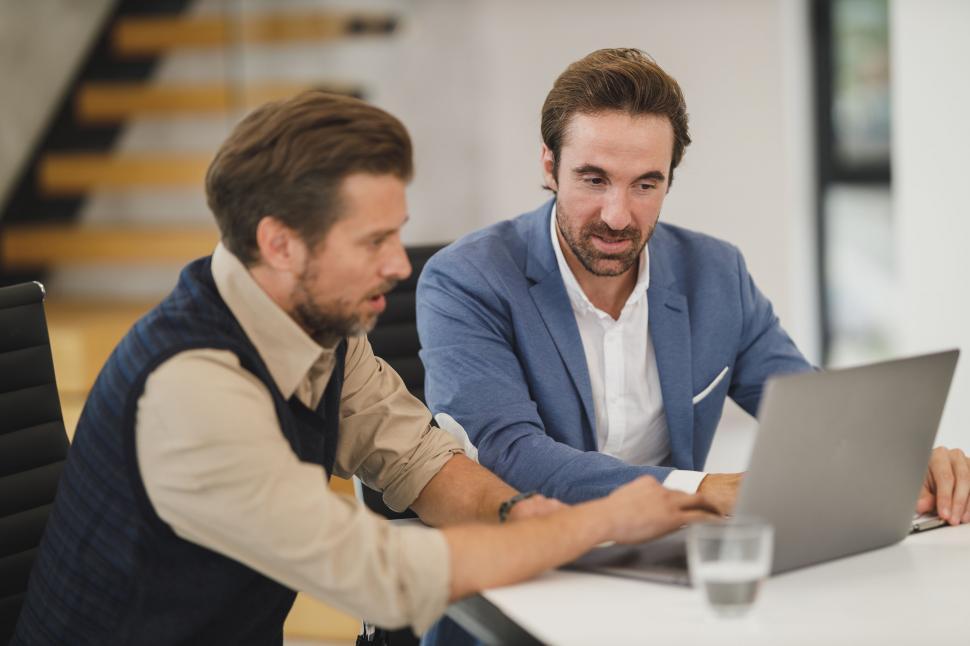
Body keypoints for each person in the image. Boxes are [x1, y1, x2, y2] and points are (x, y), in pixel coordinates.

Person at [12, 91, 718, 645]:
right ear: (281, 243)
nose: (399, 265)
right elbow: (377, 576)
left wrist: (510, 512)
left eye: (398, 233)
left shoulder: (315, 328)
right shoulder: (193, 389)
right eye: (374, 240)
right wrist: (594, 522)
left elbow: (417, 457)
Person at [417, 48, 970, 524]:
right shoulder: (468, 280)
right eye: (593, 179)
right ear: (549, 165)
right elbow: (508, 457)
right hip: (530, 572)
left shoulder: (715, 273)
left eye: (645, 184)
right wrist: (699, 490)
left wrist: (905, 458)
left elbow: (811, 414)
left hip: (672, 569)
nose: (617, 215)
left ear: (669, 180)